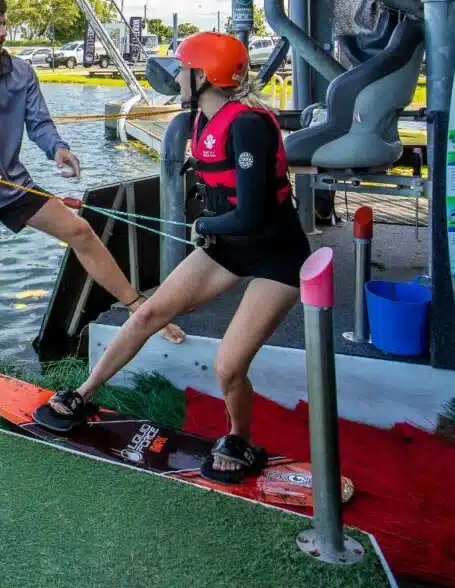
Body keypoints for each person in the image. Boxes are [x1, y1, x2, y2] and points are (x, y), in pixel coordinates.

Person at [30, 31, 309, 485]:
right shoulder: (200, 120)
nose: (178, 77)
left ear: (203, 75)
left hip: (276, 258)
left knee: (228, 365)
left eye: (184, 69)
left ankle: (240, 438)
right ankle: (84, 394)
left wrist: (204, 227)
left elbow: (254, 214)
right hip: (228, 249)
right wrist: (212, 230)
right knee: (147, 313)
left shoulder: (248, 125)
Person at [0, 0, 184, 390]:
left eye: (5, 23)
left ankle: (136, 307)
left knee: (80, 231)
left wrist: (58, 148)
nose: (4, 32)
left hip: (12, 184)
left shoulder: (22, 72)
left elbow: (38, 123)